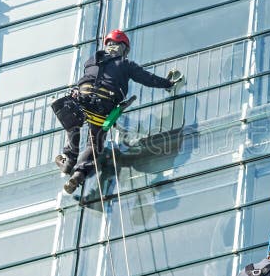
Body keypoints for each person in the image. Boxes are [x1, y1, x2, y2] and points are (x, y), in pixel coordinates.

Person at [54, 29, 183, 193]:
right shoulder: (125, 64)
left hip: (82, 102)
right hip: (104, 107)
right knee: (94, 144)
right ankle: (78, 174)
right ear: (123, 47)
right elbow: (147, 78)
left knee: (73, 126)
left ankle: (69, 159)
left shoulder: (92, 60)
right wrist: (168, 83)